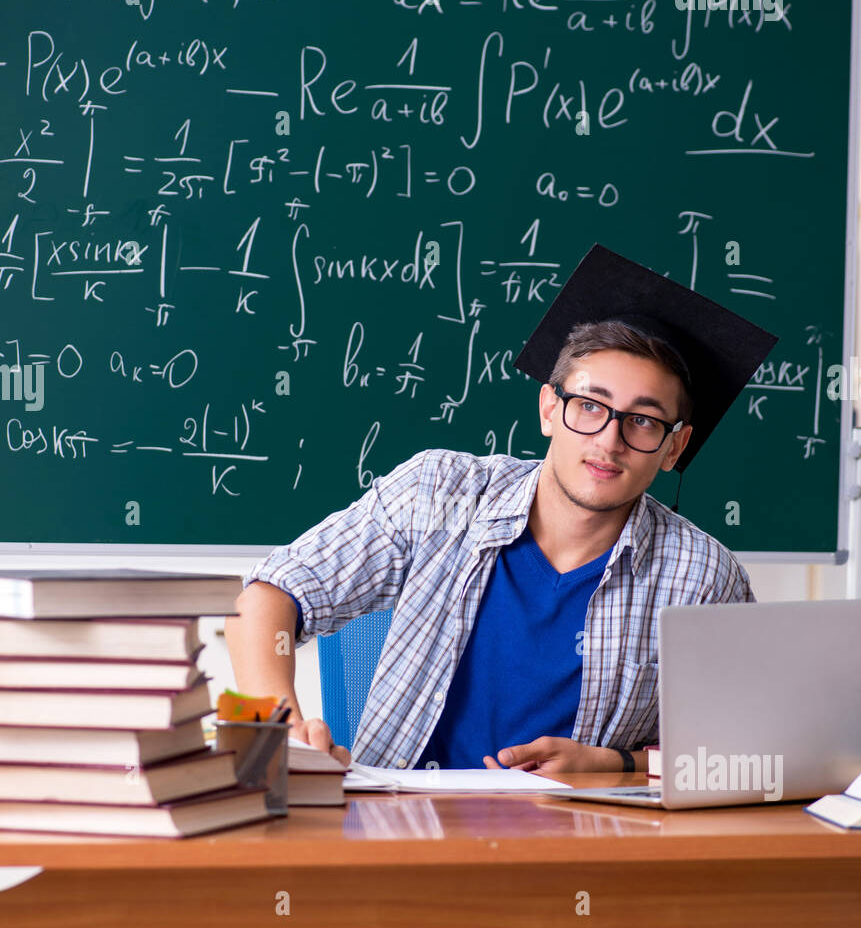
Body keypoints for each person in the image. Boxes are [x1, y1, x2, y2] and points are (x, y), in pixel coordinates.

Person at [225, 244, 777, 776]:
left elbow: (742, 748)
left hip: (583, 844)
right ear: (548, 409)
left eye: (643, 421)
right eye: (589, 406)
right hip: (397, 824)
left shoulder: (703, 578)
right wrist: (278, 724)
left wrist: (618, 764)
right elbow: (269, 598)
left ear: (674, 448)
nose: (609, 441)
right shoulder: (440, 492)